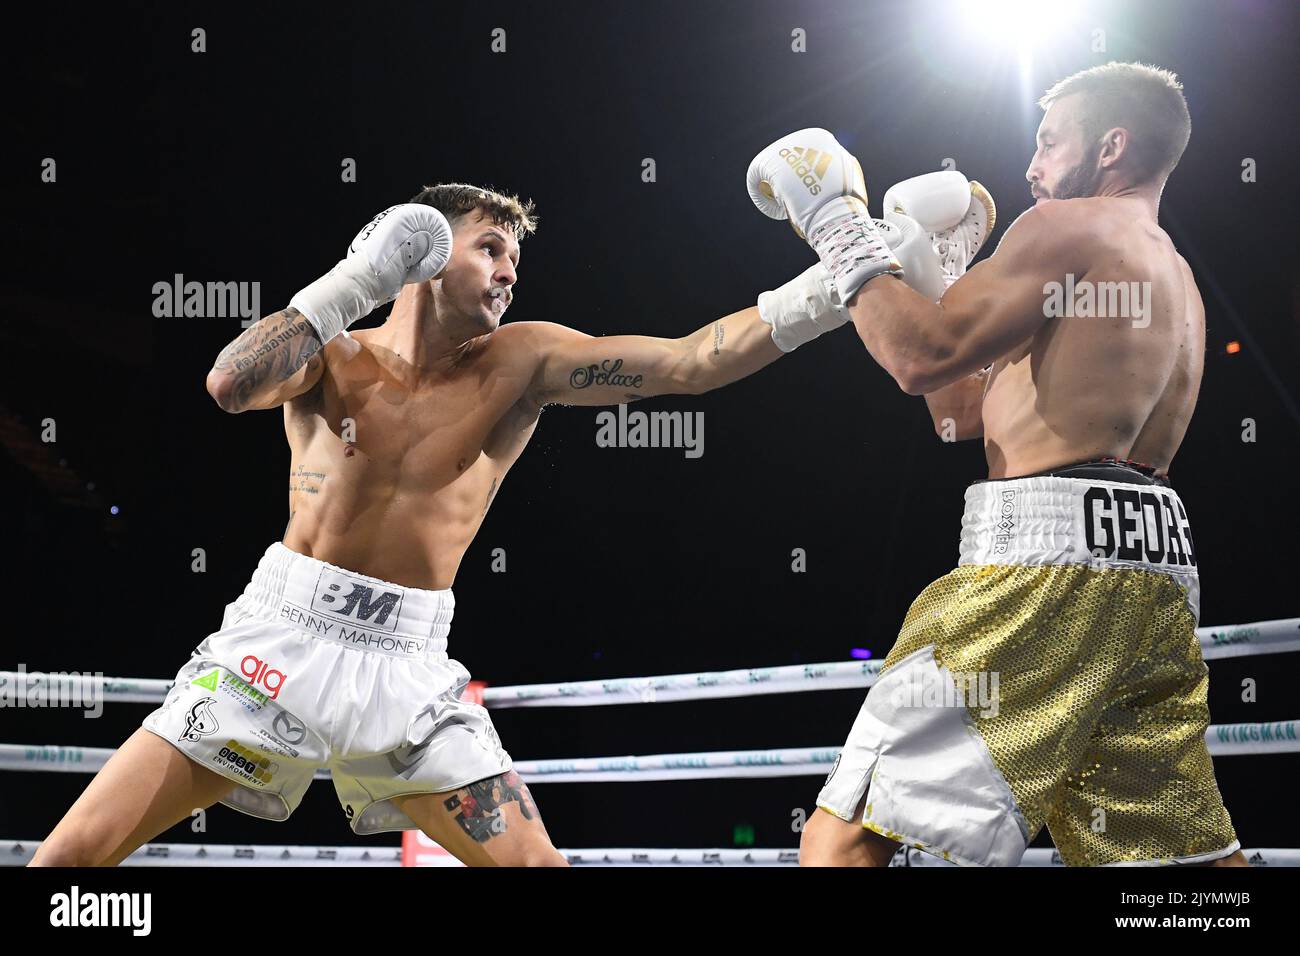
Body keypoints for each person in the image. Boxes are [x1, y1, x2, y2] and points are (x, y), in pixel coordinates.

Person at [30, 182, 827, 867]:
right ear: (423, 248)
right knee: (70, 857)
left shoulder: (520, 361)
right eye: (490, 248)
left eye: (516, 258)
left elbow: (691, 363)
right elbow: (229, 384)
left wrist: (835, 284)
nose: (510, 272)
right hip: (274, 647)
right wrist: (355, 279)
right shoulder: (329, 357)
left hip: (409, 667)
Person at [744, 62, 1246, 866]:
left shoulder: (1066, 230)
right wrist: (935, 276)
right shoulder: (1175, 277)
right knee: (1174, 867)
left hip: (1039, 576)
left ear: (1111, 146)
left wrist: (838, 223)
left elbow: (916, 354)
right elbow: (958, 411)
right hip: (1150, 582)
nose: (1032, 167)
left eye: (1050, 143)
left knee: (842, 843)